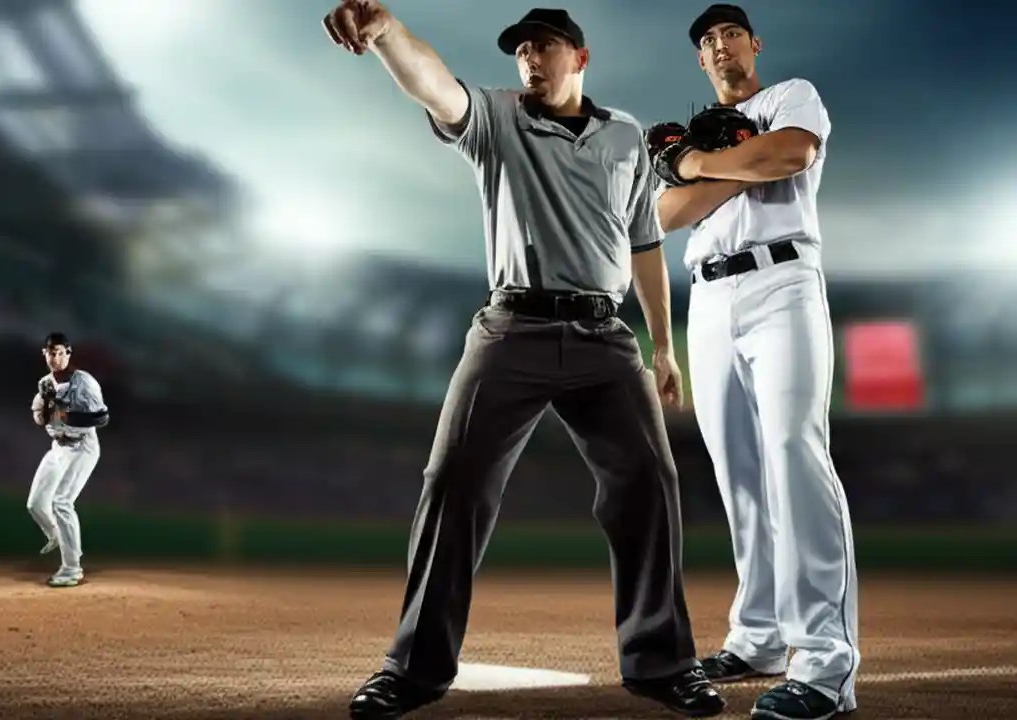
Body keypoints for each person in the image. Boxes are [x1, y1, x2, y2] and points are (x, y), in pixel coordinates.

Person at [322, 3, 724, 718]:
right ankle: (414, 668)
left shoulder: (627, 135)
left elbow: (644, 246)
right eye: (521, 51)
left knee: (650, 483)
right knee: (453, 482)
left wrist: (664, 345)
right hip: (513, 328)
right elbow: (434, 84)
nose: (530, 59)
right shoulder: (498, 119)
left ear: (581, 57)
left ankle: (661, 663)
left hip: (605, 339)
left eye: (544, 47)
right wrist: (386, 34)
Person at [651, 5, 859, 719]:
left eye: (729, 33)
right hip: (708, 300)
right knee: (738, 471)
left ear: (753, 45)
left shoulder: (789, 97)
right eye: (707, 41)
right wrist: (737, 163)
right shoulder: (699, 127)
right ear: (700, 60)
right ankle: (761, 635)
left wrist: (697, 163)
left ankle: (828, 662)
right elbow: (664, 218)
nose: (719, 45)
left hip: (782, 284)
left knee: (793, 450)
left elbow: (790, 155)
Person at [27, 332, 109, 588]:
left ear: (68, 353)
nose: (55, 357)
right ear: (45, 354)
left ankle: (72, 568)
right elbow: (41, 420)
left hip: (83, 446)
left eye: (60, 352)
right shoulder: (45, 385)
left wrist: (67, 417)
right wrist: (46, 410)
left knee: (61, 501)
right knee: (35, 503)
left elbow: (102, 417)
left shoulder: (84, 382)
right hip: (59, 447)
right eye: (51, 353)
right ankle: (56, 535)